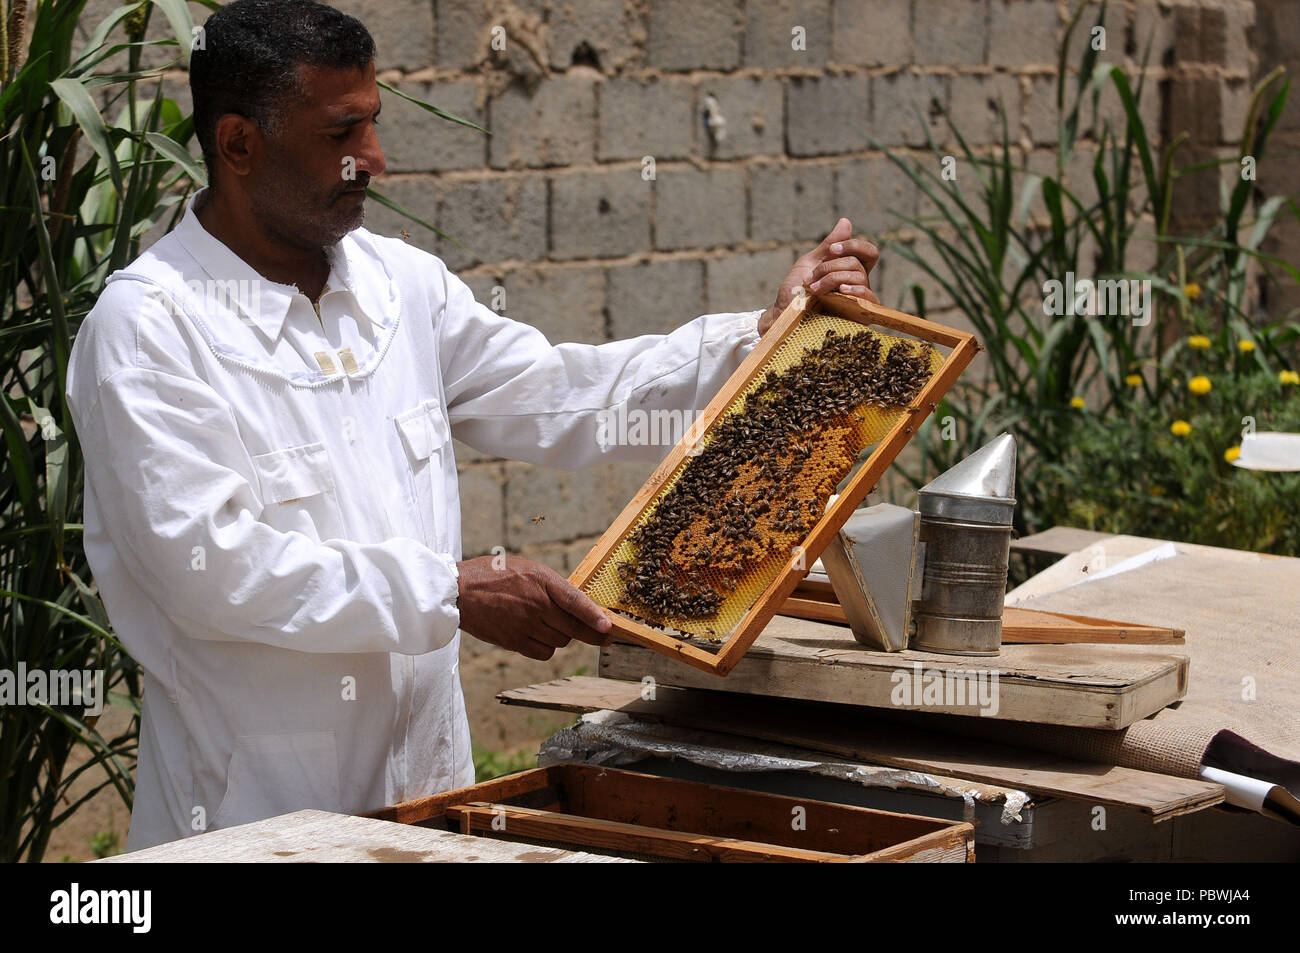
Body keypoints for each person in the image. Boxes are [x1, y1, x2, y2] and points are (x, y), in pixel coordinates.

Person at [64, 0, 883, 851]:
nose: (373, 159)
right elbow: (208, 566)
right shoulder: (149, 327)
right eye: (342, 133)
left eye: (374, 124)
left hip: (431, 802)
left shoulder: (397, 285)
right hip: (252, 820)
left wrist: (757, 336)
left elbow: (561, 394)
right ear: (238, 144)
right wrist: (448, 591)